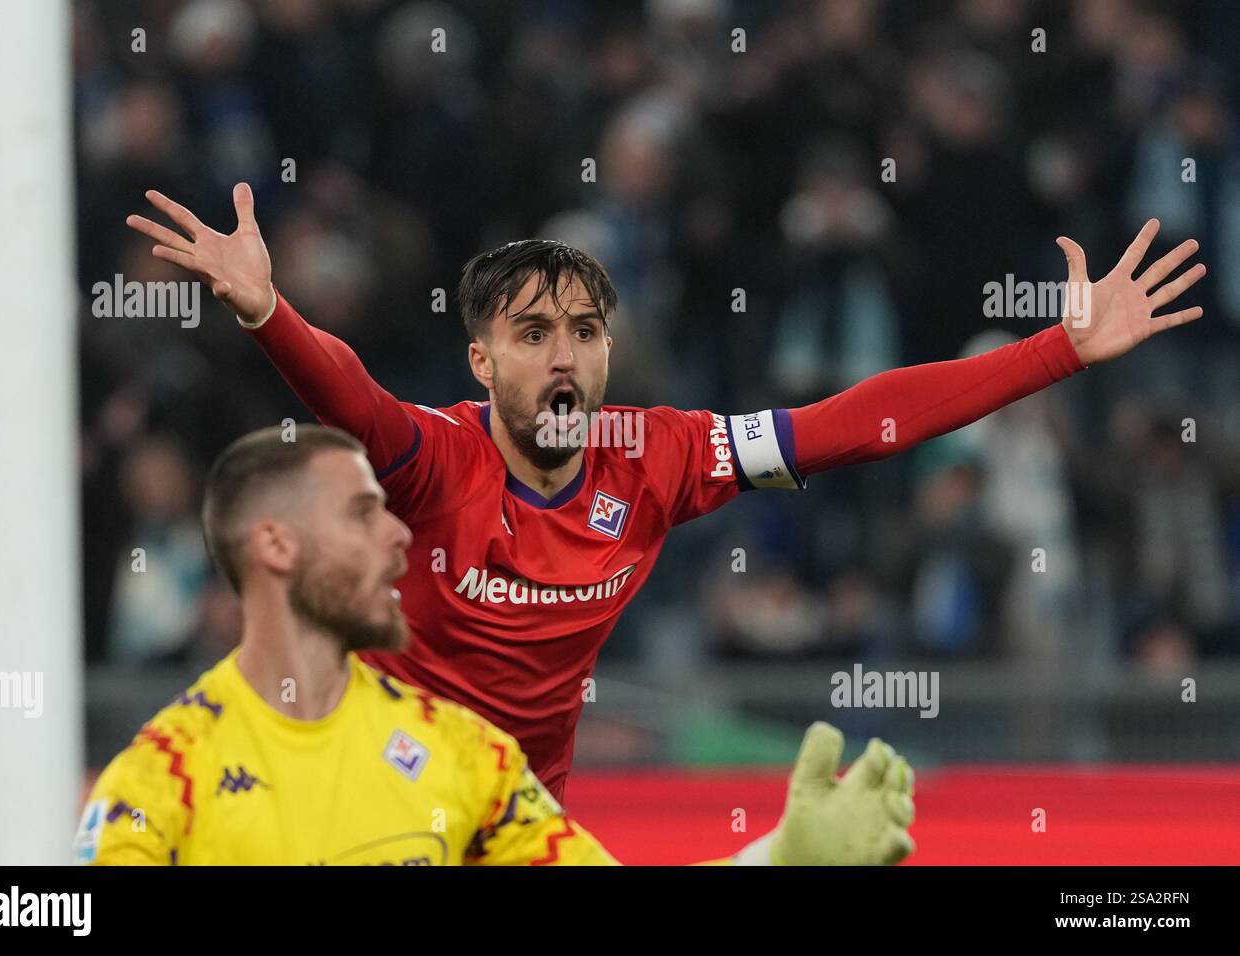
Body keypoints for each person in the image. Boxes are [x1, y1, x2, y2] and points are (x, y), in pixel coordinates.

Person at [126, 184, 1205, 800]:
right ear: (481, 363)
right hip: (381, 791)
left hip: (528, 816)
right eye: (532, 333)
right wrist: (269, 311)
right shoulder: (432, 459)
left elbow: (862, 420)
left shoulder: (662, 454)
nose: (564, 357)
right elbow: (352, 396)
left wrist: (1056, 352)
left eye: (585, 333)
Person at [75, 425, 916, 866]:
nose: (402, 537)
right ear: (278, 547)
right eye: (364, 514)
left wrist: (775, 858)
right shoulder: (164, 776)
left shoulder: (466, 755)